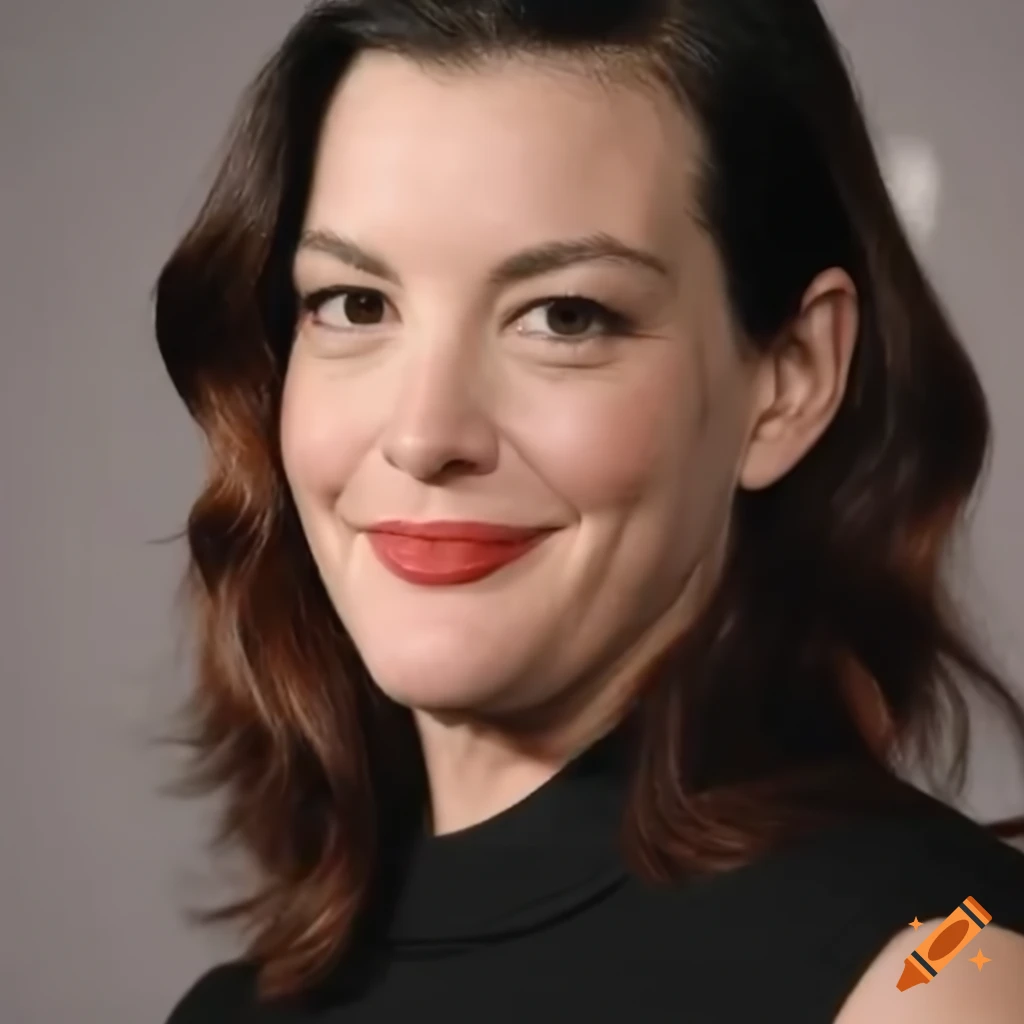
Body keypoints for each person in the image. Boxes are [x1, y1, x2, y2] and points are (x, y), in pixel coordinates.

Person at [155, 1, 1024, 1020]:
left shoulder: (940, 969)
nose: (425, 433)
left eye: (564, 315)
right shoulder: (234, 1010)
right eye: (355, 304)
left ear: (788, 379)